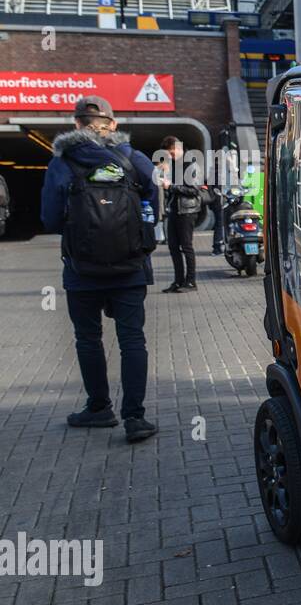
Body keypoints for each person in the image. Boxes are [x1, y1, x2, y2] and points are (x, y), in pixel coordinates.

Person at [40, 96, 159, 443]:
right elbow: (154, 199)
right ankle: (135, 418)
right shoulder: (132, 158)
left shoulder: (62, 162)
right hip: (131, 266)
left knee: (88, 339)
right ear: (113, 123)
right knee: (132, 340)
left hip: (82, 270)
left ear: (76, 124)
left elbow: (49, 219)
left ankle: (99, 408)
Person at [155, 135, 202, 293]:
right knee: (173, 247)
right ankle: (178, 281)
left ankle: (191, 282)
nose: (170, 157)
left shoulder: (191, 164)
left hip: (187, 210)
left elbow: (194, 190)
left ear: (178, 148)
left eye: (172, 153)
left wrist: (171, 187)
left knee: (187, 247)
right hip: (174, 210)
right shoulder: (173, 165)